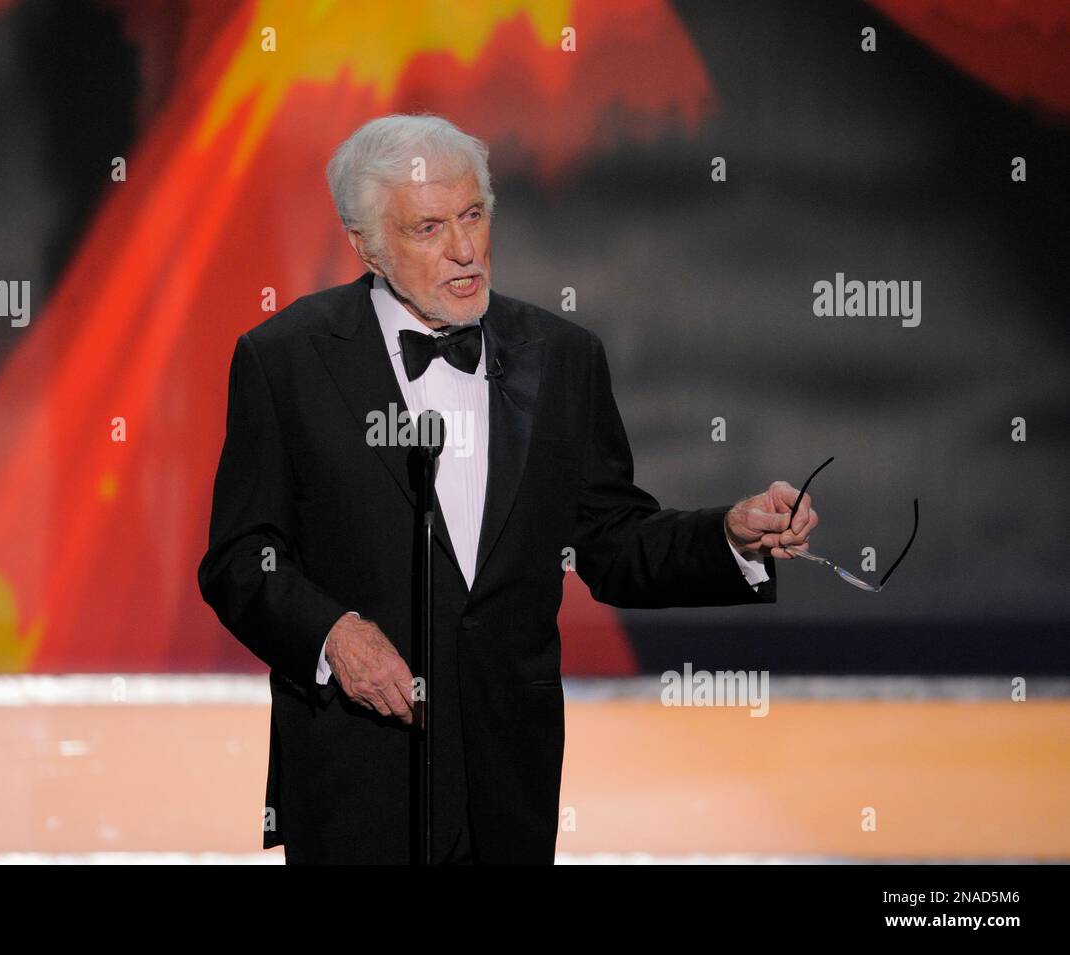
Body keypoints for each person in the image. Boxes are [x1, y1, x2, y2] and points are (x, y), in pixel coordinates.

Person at [197, 113, 817, 864]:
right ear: (365, 245)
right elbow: (239, 557)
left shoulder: (561, 358)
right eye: (428, 228)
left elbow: (613, 543)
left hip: (507, 782)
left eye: (473, 214)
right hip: (355, 775)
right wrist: (331, 634)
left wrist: (728, 536)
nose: (464, 249)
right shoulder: (284, 360)